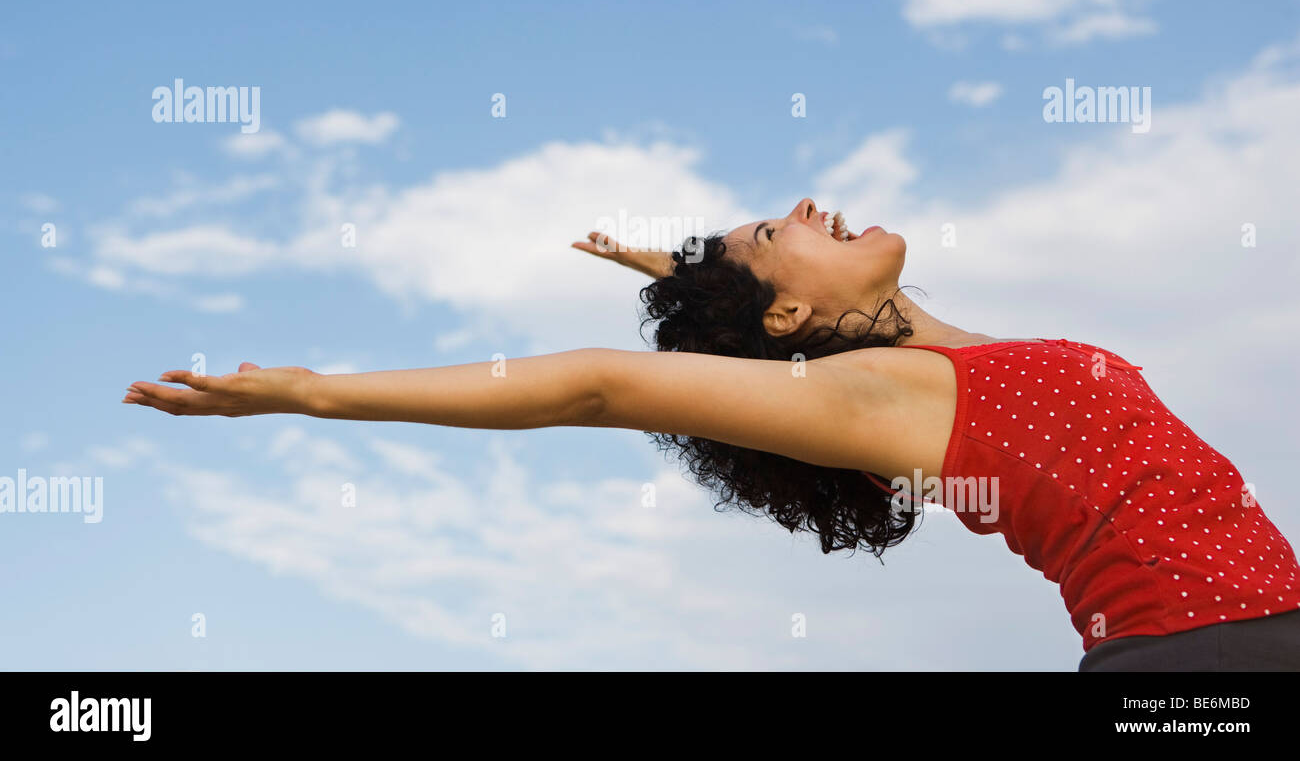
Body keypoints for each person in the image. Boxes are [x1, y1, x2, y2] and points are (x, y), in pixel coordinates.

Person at [124, 198, 1300, 670]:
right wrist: (319, 393)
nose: (801, 208)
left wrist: (693, 277)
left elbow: (830, 326)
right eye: (770, 226)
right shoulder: (881, 396)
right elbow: (597, 385)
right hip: (1209, 656)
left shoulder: (944, 366)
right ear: (789, 314)